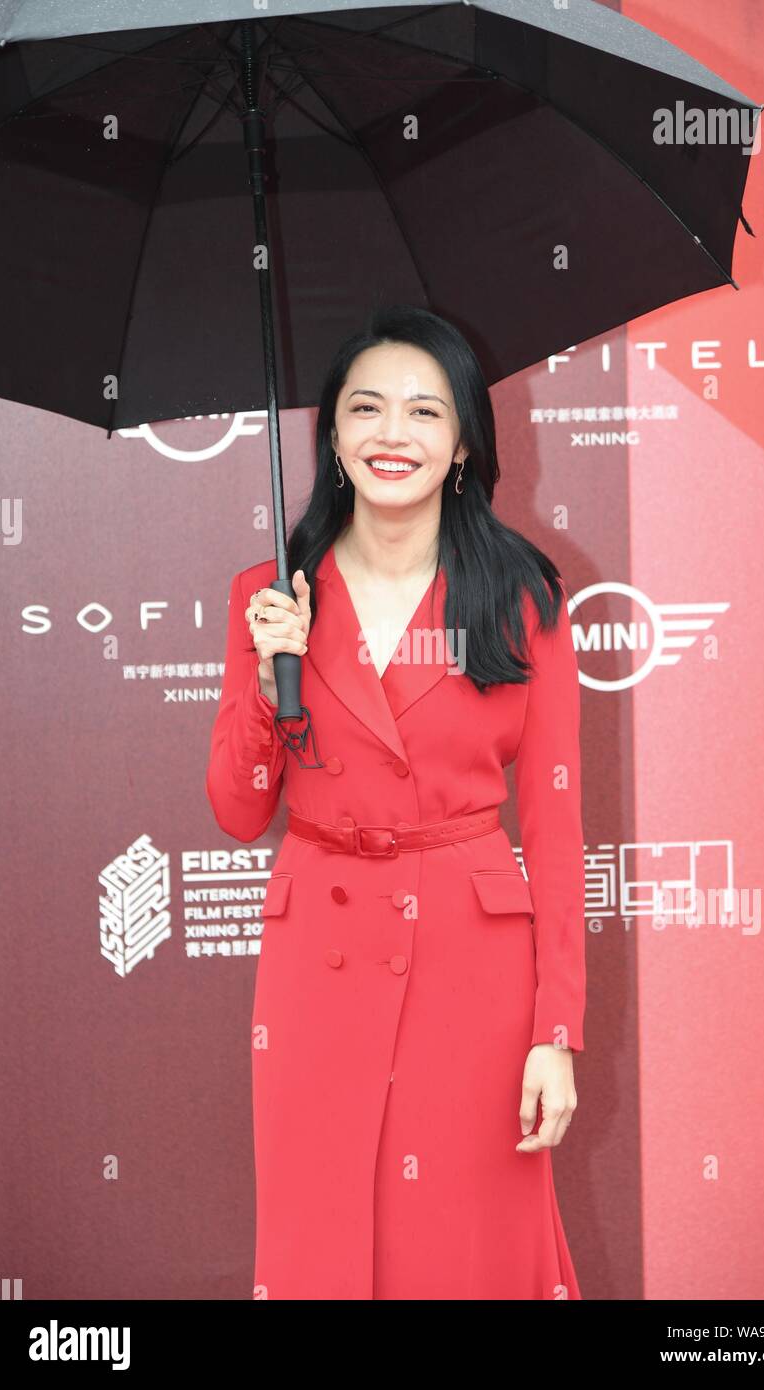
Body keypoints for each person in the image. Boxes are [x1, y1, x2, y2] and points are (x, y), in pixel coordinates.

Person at [205, 304, 586, 1301]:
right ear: (330, 436)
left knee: (464, 1243)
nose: (392, 433)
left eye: (424, 411)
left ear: (461, 444)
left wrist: (556, 1034)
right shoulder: (271, 594)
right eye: (365, 407)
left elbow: (551, 832)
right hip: (315, 962)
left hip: (473, 961)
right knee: (320, 1231)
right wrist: (264, 671)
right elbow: (239, 813)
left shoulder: (522, 598)